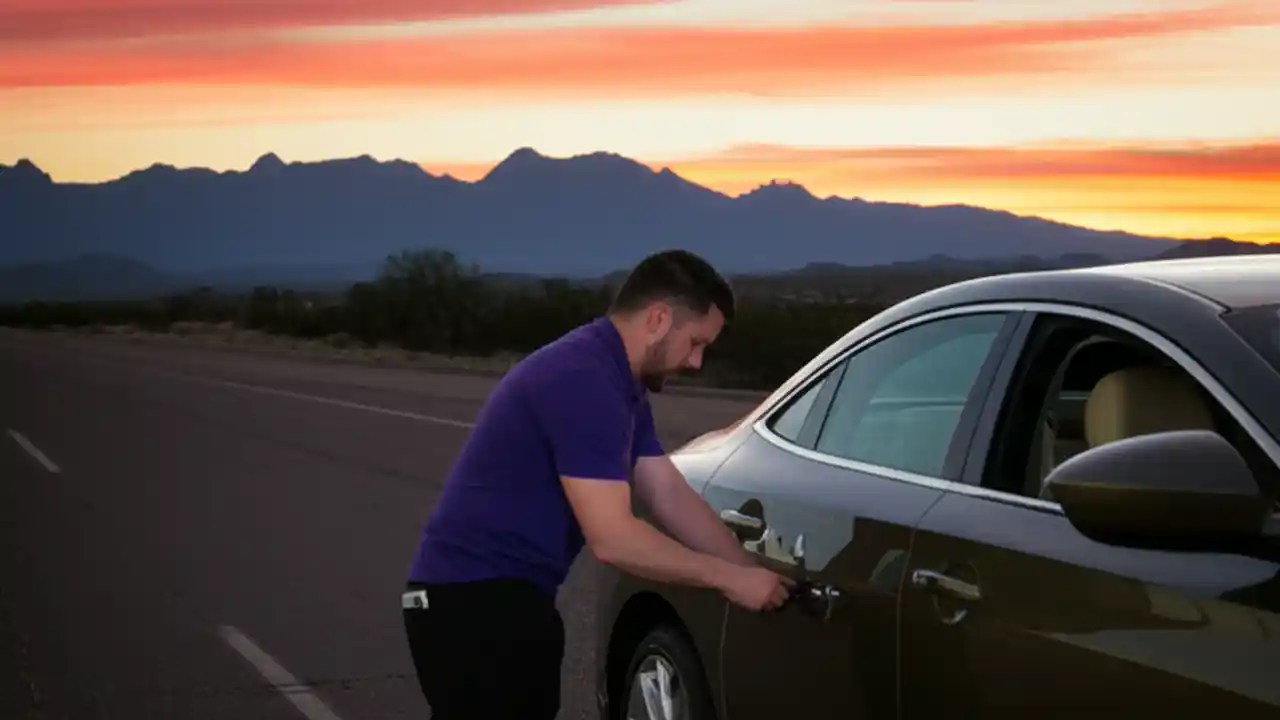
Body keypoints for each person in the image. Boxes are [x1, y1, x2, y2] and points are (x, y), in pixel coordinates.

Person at [400, 249, 793, 719]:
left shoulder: (618, 384)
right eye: (695, 343)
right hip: (472, 608)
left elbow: (666, 492)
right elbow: (613, 538)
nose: (696, 362)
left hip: (505, 603)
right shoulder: (583, 380)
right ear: (659, 319)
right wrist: (729, 580)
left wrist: (750, 573)